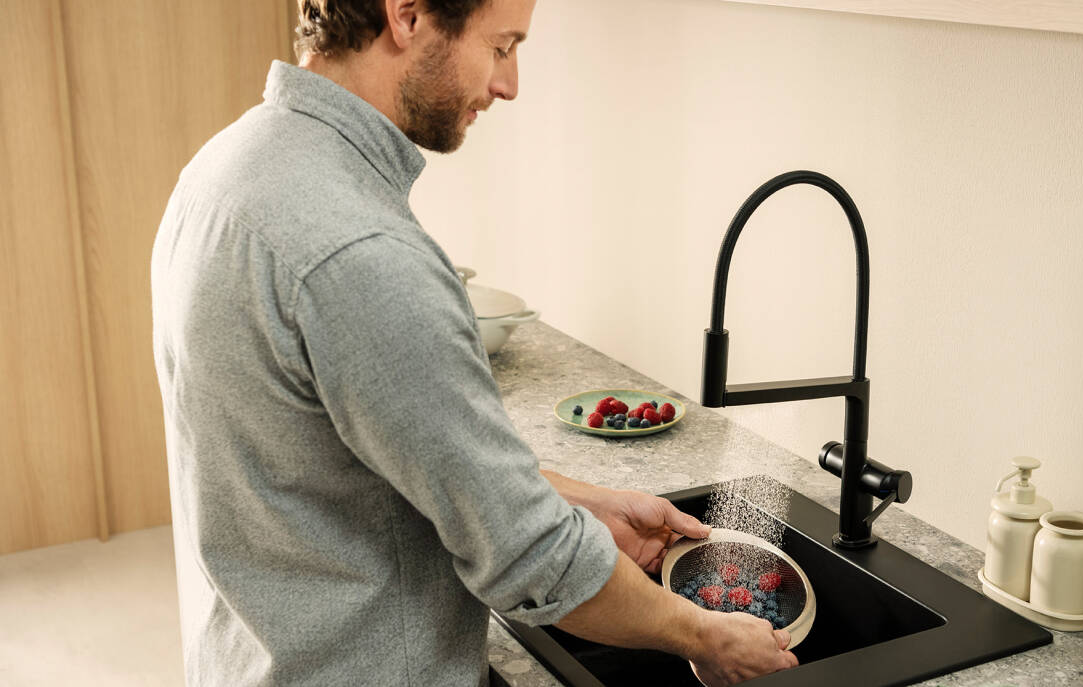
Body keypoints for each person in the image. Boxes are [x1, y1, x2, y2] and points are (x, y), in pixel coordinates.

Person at [150, 0, 798, 685]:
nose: (510, 83)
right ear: (407, 16)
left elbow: (353, 458)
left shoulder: (219, 174)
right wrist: (703, 632)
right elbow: (532, 555)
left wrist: (584, 500)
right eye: (502, 45)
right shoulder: (365, 255)